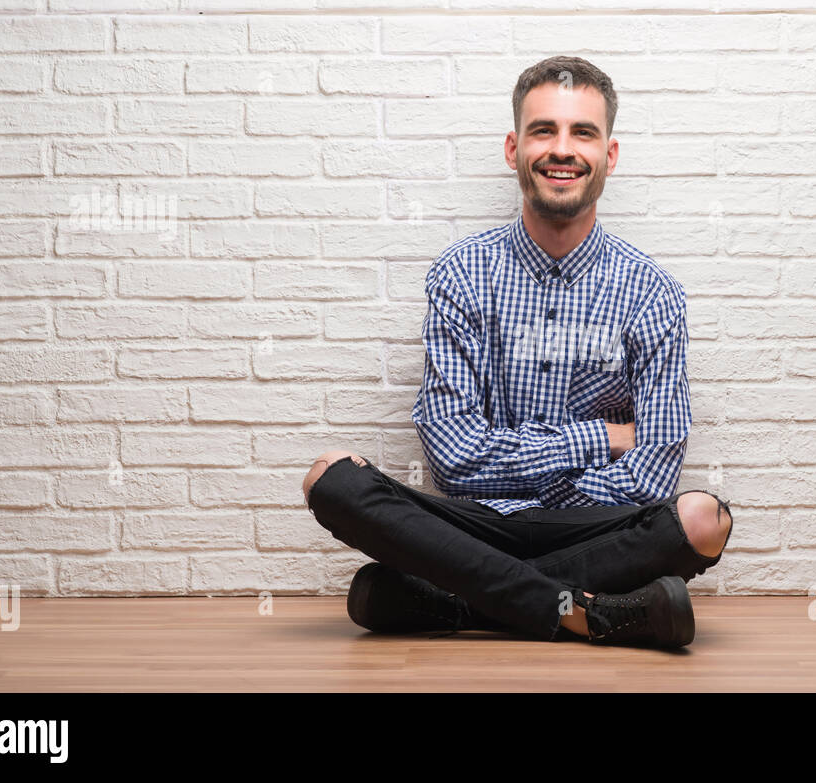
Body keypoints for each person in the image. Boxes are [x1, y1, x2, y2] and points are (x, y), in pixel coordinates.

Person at [302, 56, 733, 649]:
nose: (563, 149)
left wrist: (545, 493)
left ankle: (454, 600)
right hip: (475, 523)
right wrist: (601, 438)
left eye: (583, 132)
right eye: (543, 130)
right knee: (330, 477)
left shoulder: (652, 293)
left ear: (609, 155)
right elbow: (453, 461)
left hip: (589, 528)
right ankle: (588, 613)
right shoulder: (461, 275)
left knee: (704, 519)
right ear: (514, 148)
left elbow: (653, 471)